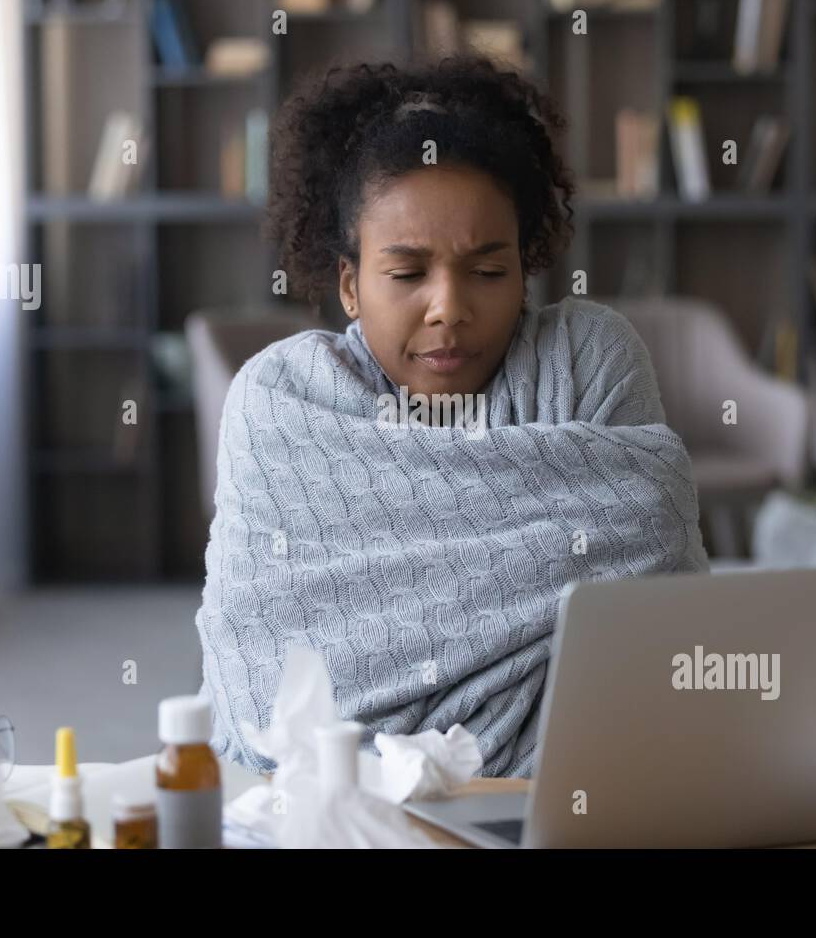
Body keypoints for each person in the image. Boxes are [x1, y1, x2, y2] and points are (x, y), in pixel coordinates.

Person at [195, 54, 709, 778]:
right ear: (349, 284)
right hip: (326, 802)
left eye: (489, 272)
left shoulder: (586, 357)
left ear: (527, 266)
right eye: (406, 274)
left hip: (568, 792)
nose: (449, 308)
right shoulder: (281, 400)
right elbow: (263, 678)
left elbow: (654, 565)